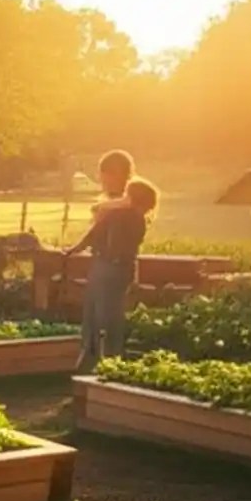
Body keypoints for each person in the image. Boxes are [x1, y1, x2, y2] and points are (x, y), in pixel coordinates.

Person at [64, 152, 159, 371]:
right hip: (102, 265)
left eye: (108, 175)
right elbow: (96, 231)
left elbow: (103, 218)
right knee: (93, 315)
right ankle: (91, 361)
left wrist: (113, 206)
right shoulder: (116, 206)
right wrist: (75, 249)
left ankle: (108, 364)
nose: (103, 179)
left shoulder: (130, 209)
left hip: (115, 267)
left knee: (108, 318)